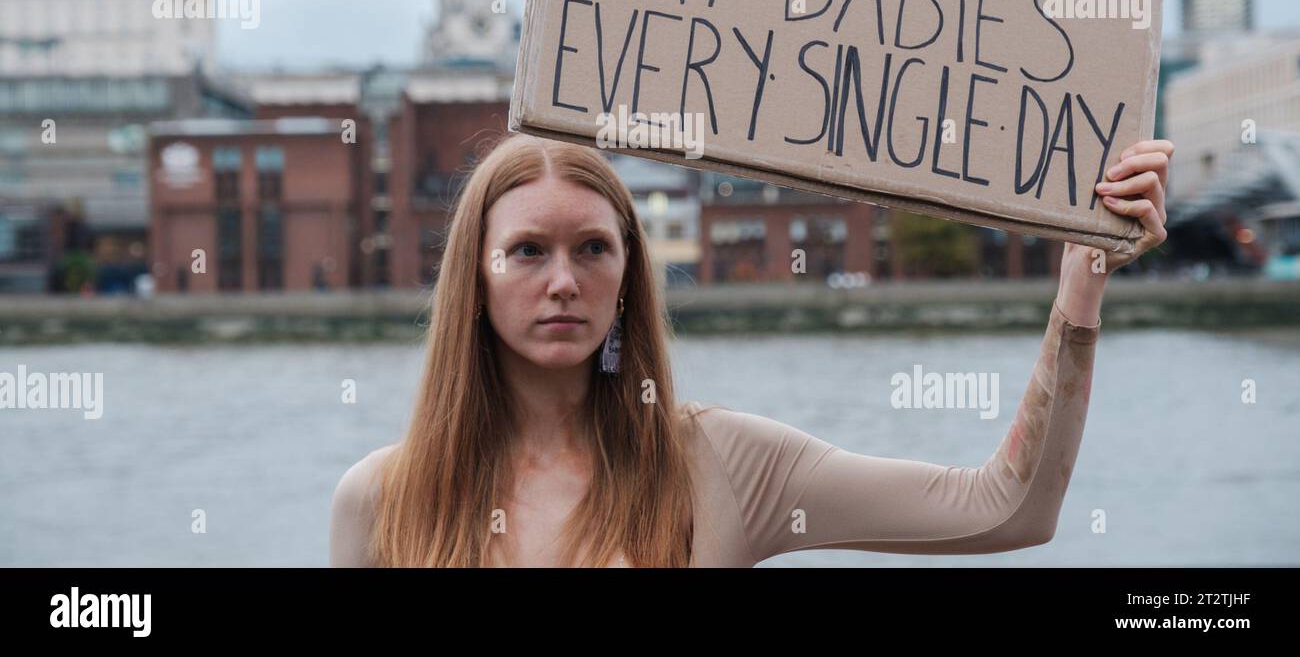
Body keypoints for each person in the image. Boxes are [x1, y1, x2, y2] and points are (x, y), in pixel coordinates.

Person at [330, 133, 1173, 567]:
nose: (562, 281)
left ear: (628, 275)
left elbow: (1006, 508)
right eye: (527, 252)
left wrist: (1083, 272)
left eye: (592, 249)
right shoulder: (381, 501)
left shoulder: (719, 464)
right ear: (472, 281)